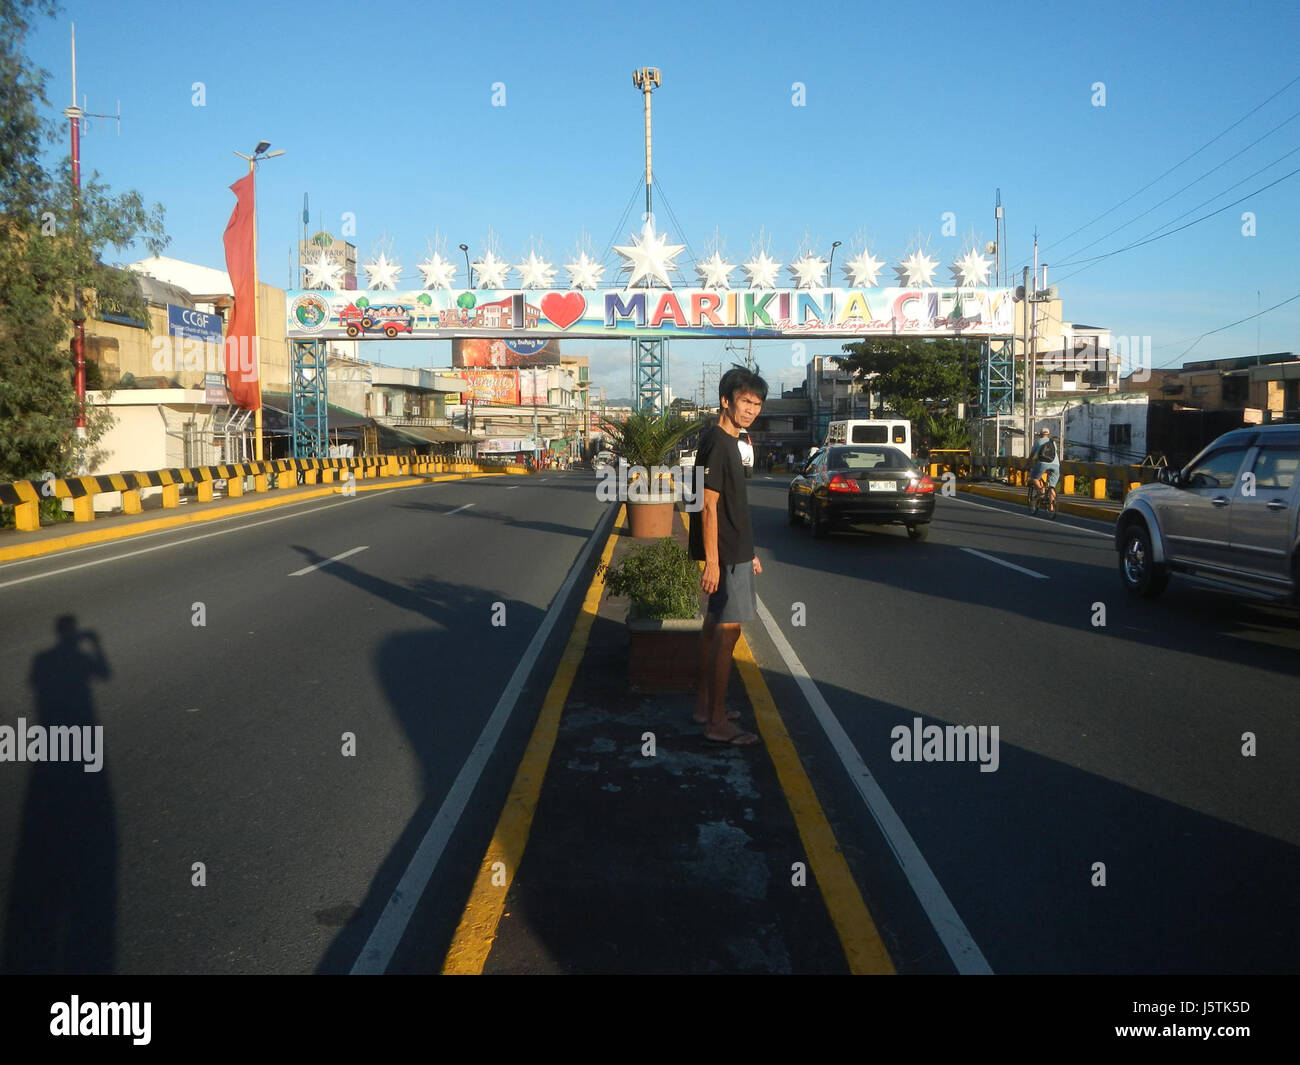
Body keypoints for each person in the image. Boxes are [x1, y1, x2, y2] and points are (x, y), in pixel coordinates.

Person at [690, 367, 768, 746]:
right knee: (727, 633)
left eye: (756, 404)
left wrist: (747, 551)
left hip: (735, 551)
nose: (751, 410)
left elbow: (730, 508)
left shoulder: (721, 440)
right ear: (726, 401)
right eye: (745, 402)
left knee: (713, 629)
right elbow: (708, 506)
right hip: (725, 556)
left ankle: (705, 706)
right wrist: (713, 561)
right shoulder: (721, 444)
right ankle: (717, 723)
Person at [1027, 427, 1060, 510]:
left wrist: (1028, 463)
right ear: (1048, 435)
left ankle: (1041, 491)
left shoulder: (1038, 441)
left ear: (1040, 434)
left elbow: (1032, 455)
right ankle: (1052, 507)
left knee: (1034, 477)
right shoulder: (1053, 442)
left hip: (1043, 463)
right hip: (1056, 465)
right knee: (1052, 486)